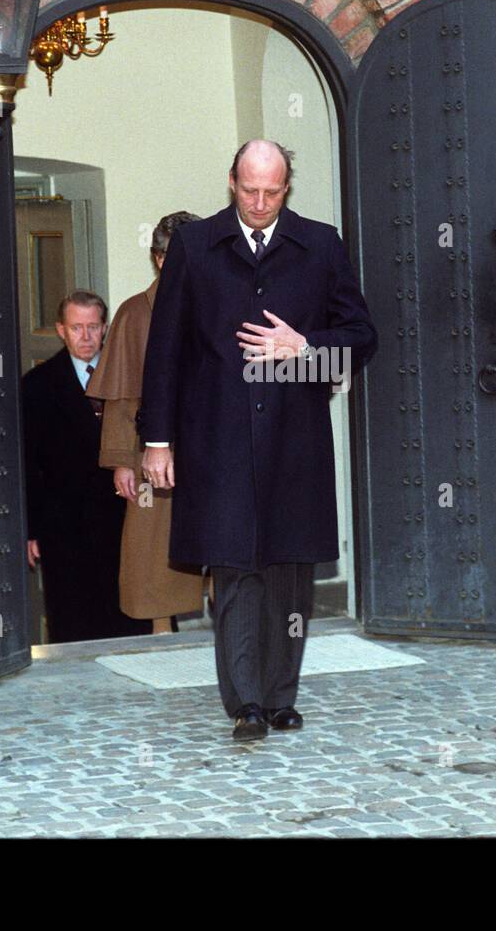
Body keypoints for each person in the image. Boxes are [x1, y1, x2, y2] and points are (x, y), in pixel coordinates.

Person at [139, 139, 377, 740]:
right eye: (250, 191)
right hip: (216, 438)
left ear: (287, 188)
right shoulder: (195, 247)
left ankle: (280, 696)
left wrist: (305, 348)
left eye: (273, 192)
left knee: (289, 570)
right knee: (236, 567)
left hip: (294, 439)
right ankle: (244, 700)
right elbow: (164, 351)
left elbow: (362, 335)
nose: (261, 202)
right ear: (231, 183)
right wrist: (157, 440)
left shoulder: (320, 244)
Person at [87, 212, 207, 634]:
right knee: (154, 549)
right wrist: (121, 460)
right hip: (155, 451)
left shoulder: (226, 303)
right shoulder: (135, 314)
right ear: (158, 259)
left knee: (225, 540)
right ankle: (161, 631)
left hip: (214, 446)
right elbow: (120, 395)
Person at [21, 291, 152, 642]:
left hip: (121, 518)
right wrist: (30, 529)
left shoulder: (131, 378)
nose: (86, 336)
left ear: (105, 328)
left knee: (127, 621)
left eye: (93, 327)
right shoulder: (37, 386)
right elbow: (29, 465)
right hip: (65, 526)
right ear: (61, 330)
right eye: (77, 327)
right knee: (73, 623)